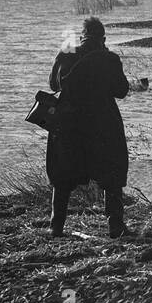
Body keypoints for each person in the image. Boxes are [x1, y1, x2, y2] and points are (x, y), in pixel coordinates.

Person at [47, 16, 131, 237]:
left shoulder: (66, 54)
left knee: (63, 176)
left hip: (69, 125)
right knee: (112, 174)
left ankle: (56, 226)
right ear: (103, 38)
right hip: (103, 125)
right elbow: (121, 90)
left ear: (82, 37)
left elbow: (53, 84)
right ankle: (115, 225)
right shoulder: (110, 59)